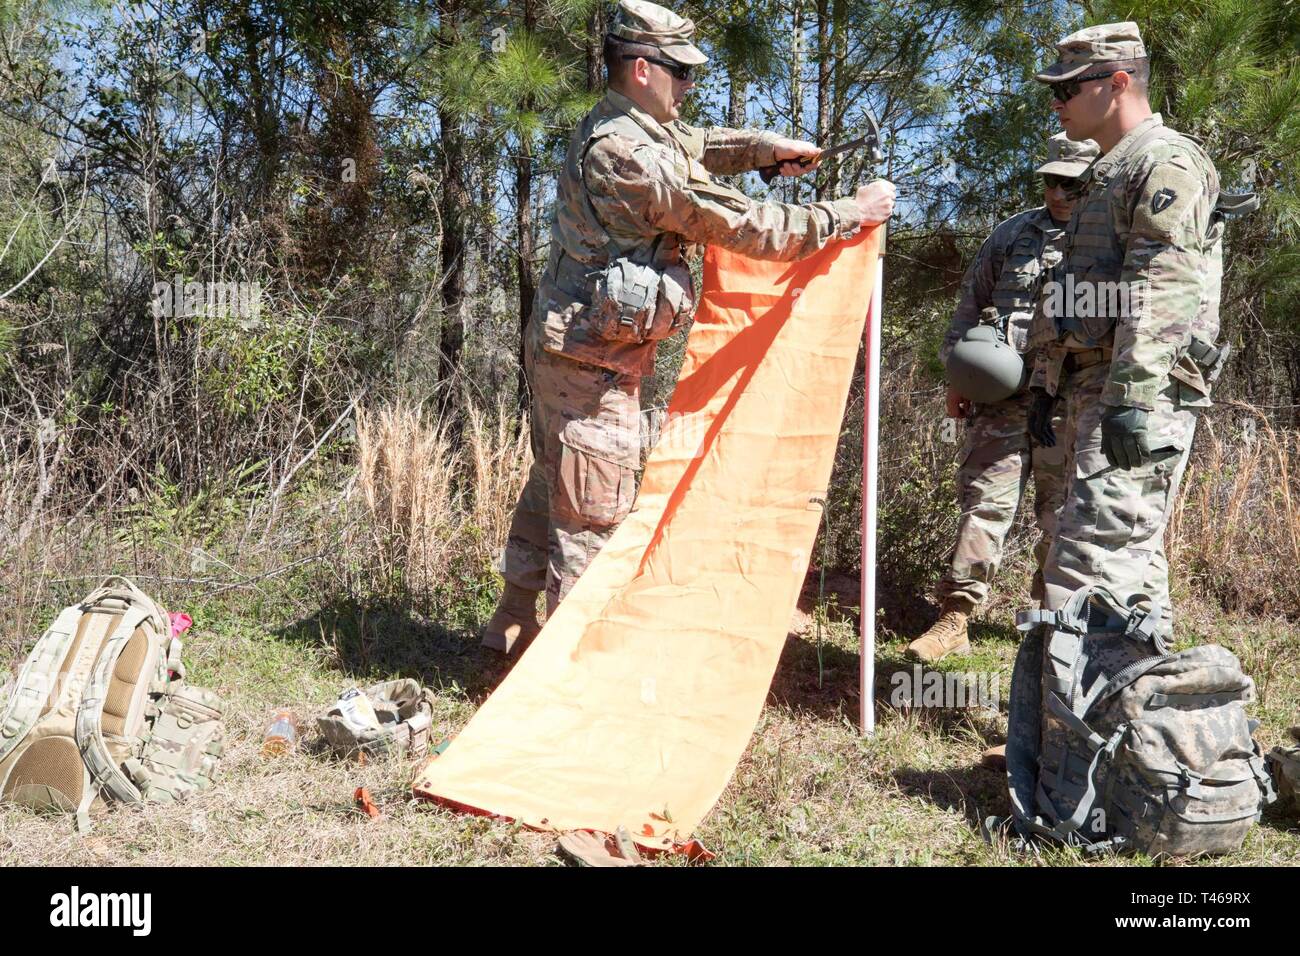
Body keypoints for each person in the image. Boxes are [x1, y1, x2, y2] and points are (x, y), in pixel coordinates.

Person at [483, 0, 896, 653]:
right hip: (591, 367)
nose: (691, 86)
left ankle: (507, 625)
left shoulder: (630, 125)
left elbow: (701, 145)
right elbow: (748, 226)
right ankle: (566, 680)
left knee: (554, 480)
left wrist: (766, 149)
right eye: (682, 73)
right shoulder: (632, 156)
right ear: (642, 68)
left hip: (577, 351)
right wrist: (851, 210)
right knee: (595, 517)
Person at [1028, 21, 1227, 644]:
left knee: (1091, 569)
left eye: (1065, 90)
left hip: (1138, 393)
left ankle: (1076, 741)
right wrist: (1045, 382)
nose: (1055, 104)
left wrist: (1135, 397)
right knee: (1123, 567)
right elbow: (1078, 291)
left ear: (1117, 83)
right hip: (1094, 385)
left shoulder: (1166, 161)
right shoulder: (1106, 172)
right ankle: (1134, 726)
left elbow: (1161, 287)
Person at [907, 132, 1099, 663]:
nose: (1059, 191)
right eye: (1051, 180)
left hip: (1072, 398)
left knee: (1064, 512)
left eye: (1072, 182)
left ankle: (1053, 625)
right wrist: (958, 377)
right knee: (984, 503)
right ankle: (956, 616)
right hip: (1002, 396)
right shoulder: (1015, 234)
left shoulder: (1110, 242)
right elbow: (971, 307)